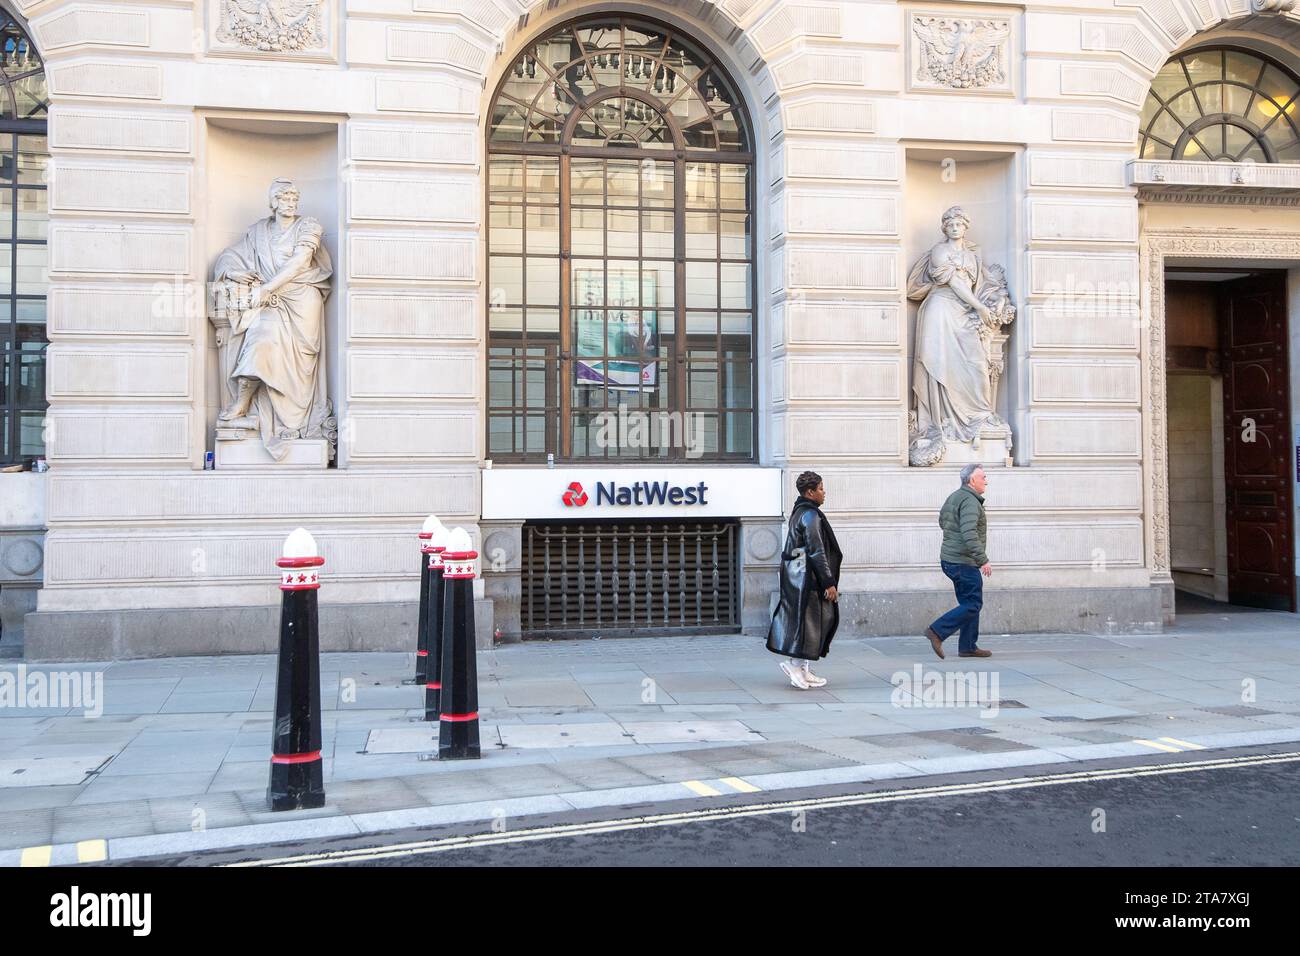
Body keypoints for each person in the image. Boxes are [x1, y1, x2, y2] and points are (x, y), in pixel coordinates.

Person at [213, 178, 334, 460]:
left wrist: (266, 288)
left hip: (301, 299)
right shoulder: (258, 232)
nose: (291, 203)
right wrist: (233, 272)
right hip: (269, 302)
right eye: (284, 198)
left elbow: (300, 263)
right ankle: (241, 404)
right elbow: (229, 257)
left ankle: (297, 421)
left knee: (297, 364)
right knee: (261, 338)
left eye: (294, 198)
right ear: (273, 202)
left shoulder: (309, 226)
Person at [767, 471, 843, 689]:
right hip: (805, 578)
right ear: (810, 492)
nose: (824, 492)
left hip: (798, 574)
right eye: (820, 488)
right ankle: (795, 666)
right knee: (809, 621)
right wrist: (828, 582)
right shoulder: (809, 516)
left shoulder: (801, 512)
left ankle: (803, 669)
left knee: (810, 621)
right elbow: (816, 551)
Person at [924, 463, 993, 659]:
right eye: (983, 477)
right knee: (973, 604)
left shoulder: (955, 496)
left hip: (950, 560)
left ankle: (968, 646)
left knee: (968, 602)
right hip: (963, 561)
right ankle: (937, 631)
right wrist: (983, 560)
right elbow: (969, 532)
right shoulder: (970, 501)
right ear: (972, 480)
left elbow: (942, 521)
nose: (986, 481)